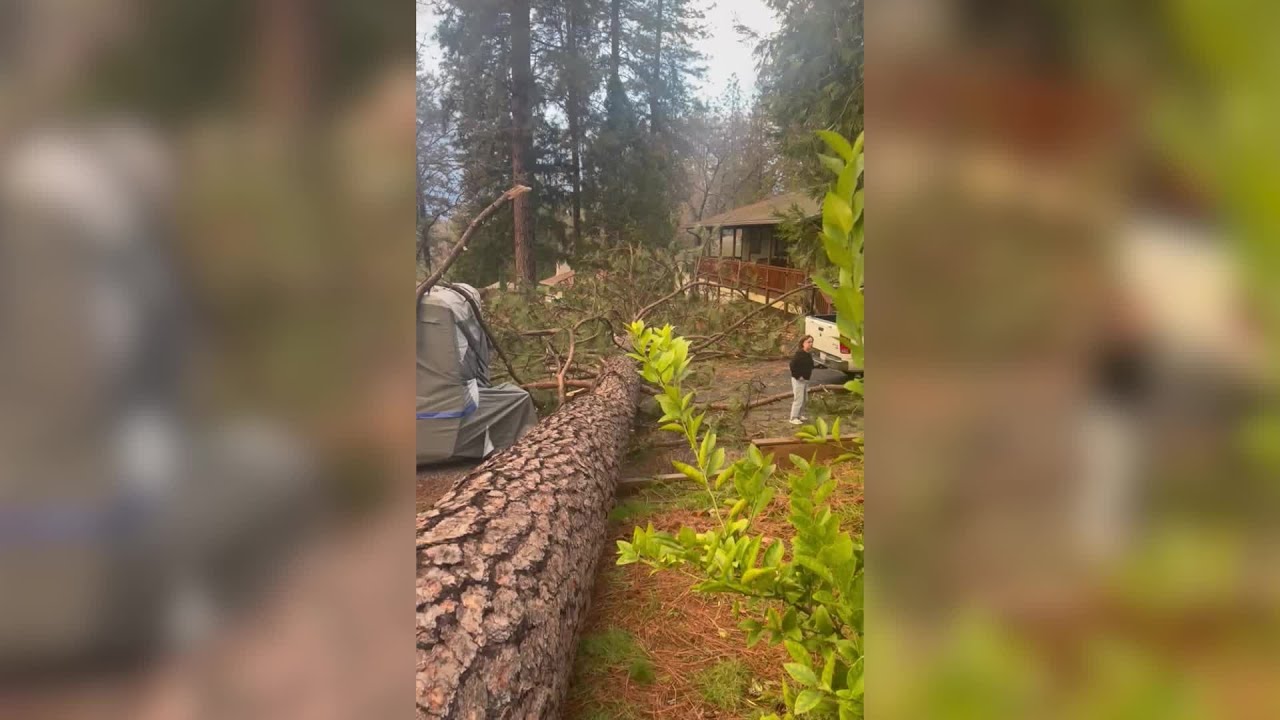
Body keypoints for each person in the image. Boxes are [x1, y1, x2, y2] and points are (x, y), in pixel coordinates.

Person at [789, 335, 815, 424]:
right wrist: (798, 376)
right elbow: (792, 366)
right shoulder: (799, 354)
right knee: (798, 399)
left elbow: (810, 365)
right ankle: (793, 417)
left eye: (811, 342)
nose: (810, 344)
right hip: (798, 380)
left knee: (804, 399)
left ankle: (800, 415)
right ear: (803, 343)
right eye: (808, 342)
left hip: (806, 380)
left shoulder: (808, 354)